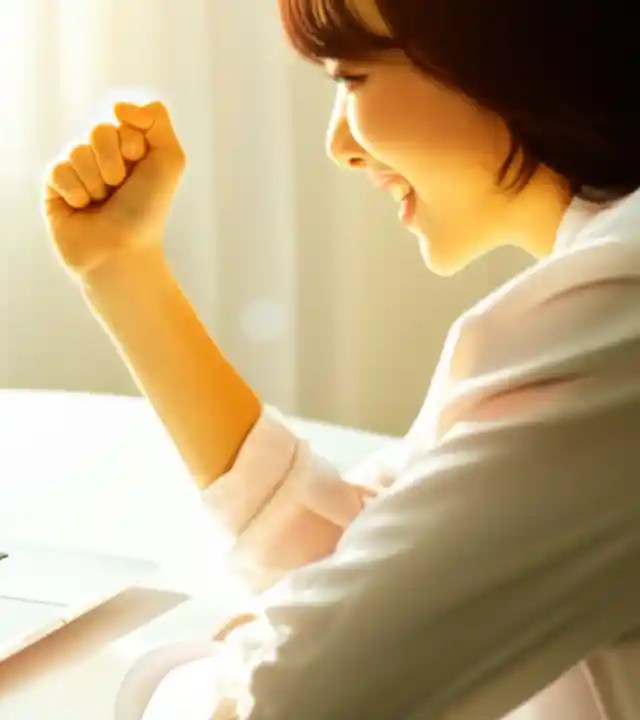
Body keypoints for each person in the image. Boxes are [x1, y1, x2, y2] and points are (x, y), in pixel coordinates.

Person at [42, 0, 640, 717]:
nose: (339, 143)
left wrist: (169, 677)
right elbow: (373, 563)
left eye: (352, 78)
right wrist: (124, 272)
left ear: (504, 52)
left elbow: (297, 700)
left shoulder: (611, 324)